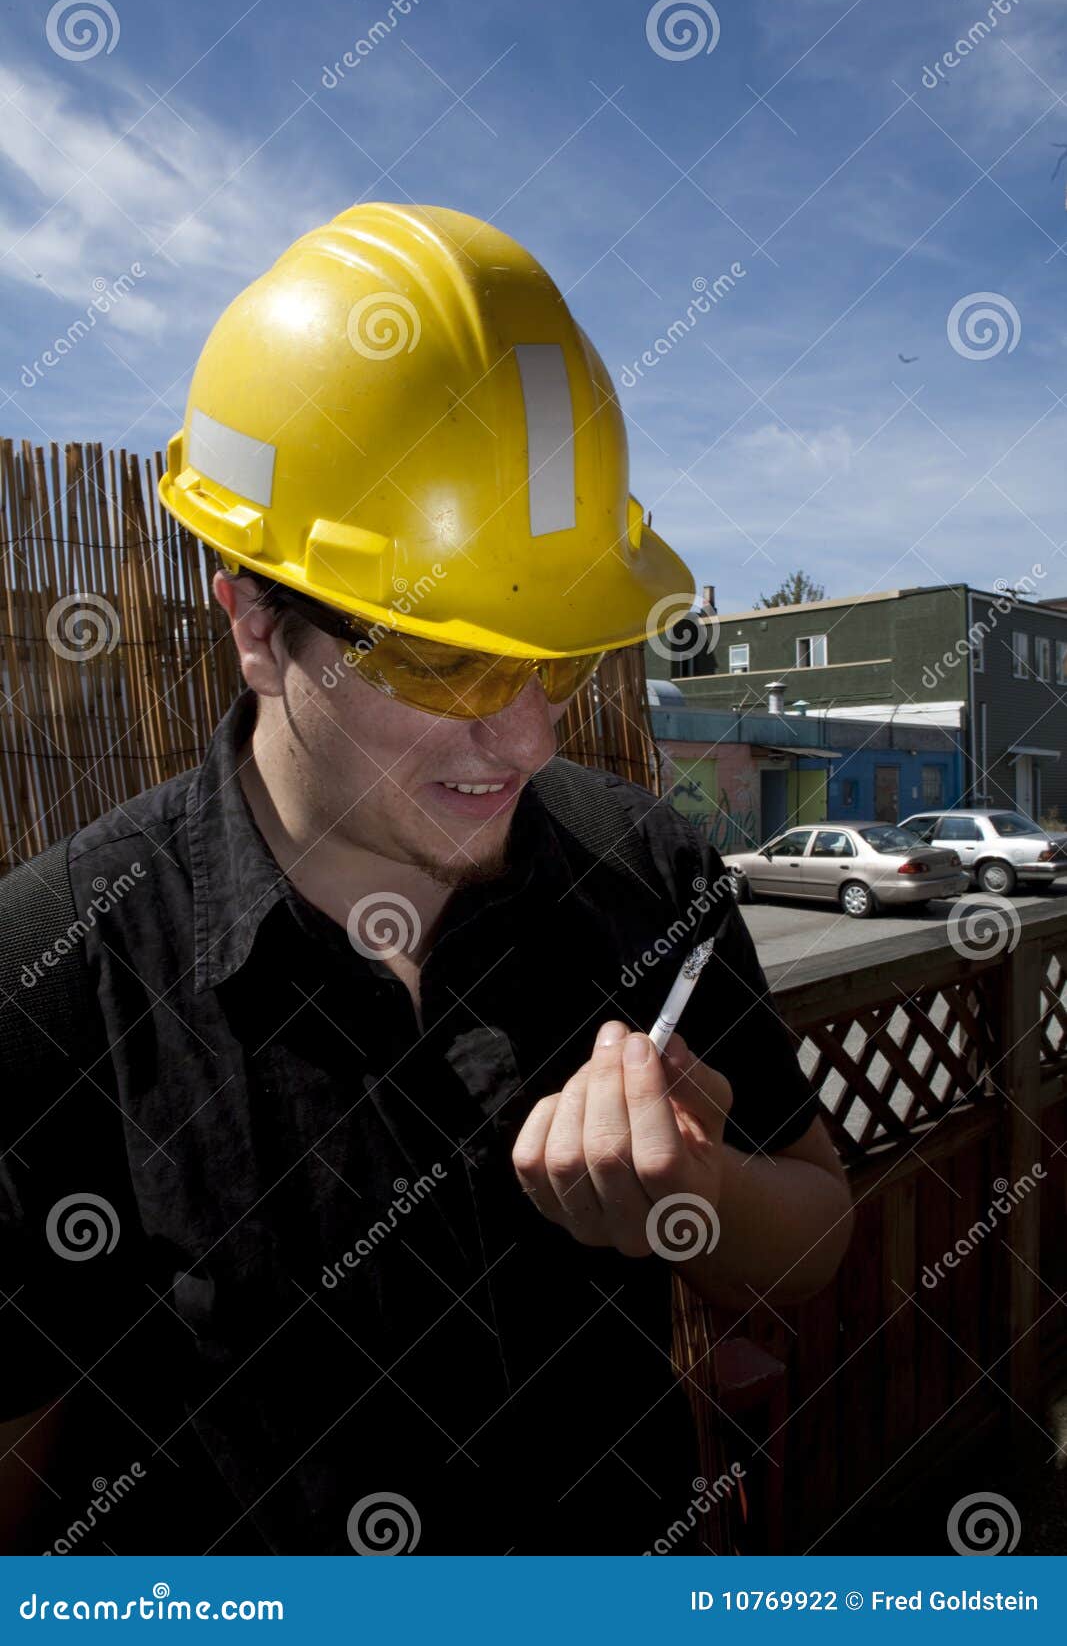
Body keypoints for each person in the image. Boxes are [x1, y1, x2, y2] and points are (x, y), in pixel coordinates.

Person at [0, 204, 852, 1556]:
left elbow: (817, 1232)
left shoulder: (646, 875)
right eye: (444, 662)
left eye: (553, 659)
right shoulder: (58, 971)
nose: (527, 739)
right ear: (256, 623)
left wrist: (698, 1190)